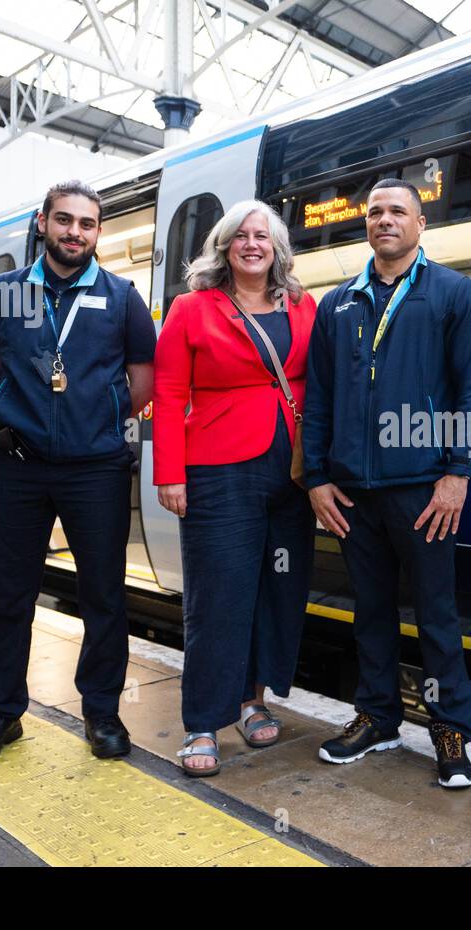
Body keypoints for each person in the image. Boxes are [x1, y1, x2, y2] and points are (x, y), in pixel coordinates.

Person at [0, 180, 156, 768]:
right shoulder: (6, 293)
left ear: (99, 233)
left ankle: (102, 711)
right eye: (64, 220)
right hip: (17, 467)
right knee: (9, 595)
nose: (75, 232)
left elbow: (142, 383)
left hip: (96, 470)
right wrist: (26, 421)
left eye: (87, 224)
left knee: (104, 596)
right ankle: (1, 714)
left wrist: (96, 423)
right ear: (43, 223)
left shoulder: (122, 297)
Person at [303, 178, 471, 788]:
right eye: (375, 212)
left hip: (424, 489)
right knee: (371, 613)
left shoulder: (454, 294)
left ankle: (449, 730)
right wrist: (315, 478)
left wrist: (458, 474)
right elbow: (320, 400)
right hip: (353, 491)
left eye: (398, 212)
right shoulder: (337, 305)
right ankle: (378, 717)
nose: (385, 220)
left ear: (420, 225)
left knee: (436, 614)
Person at [153, 200, 316, 777]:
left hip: (291, 470)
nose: (252, 244)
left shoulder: (302, 304)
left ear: (278, 248)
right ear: (224, 247)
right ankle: (202, 721)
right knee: (218, 597)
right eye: (241, 236)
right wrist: (169, 471)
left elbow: (318, 385)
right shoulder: (192, 308)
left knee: (275, 590)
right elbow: (168, 394)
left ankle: (253, 699)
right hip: (218, 469)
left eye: (263, 236)